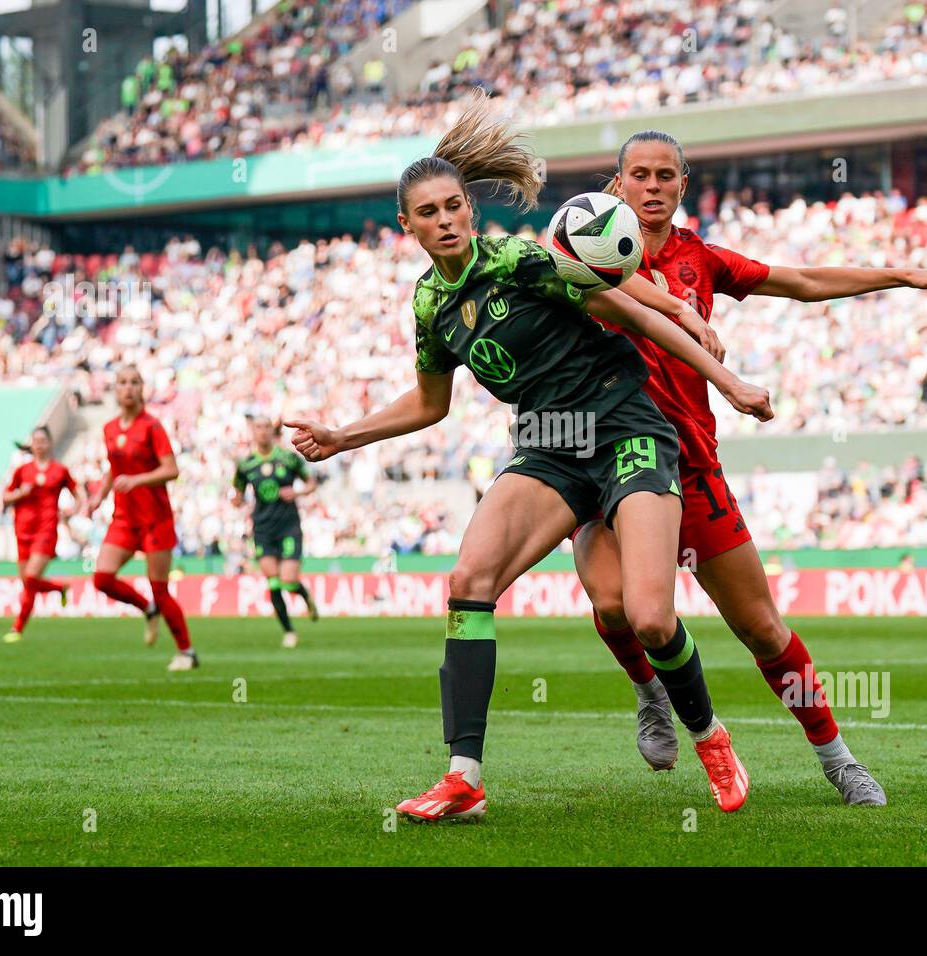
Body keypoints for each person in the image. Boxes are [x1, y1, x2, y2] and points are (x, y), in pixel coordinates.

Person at [286, 94, 774, 821]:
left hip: (624, 428)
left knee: (647, 617)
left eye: (455, 206)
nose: (446, 220)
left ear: (470, 211)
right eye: (429, 213)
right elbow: (429, 405)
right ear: (407, 226)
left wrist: (725, 377)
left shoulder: (520, 260)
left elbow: (627, 308)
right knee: (468, 581)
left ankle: (708, 733)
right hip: (549, 446)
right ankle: (464, 778)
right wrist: (341, 436)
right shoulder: (429, 307)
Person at [581, 129, 927, 806]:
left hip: (689, 465)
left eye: (665, 175)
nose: (652, 186)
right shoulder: (580, 250)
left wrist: (899, 274)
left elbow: (801, 280)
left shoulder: (701, 258)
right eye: (638, 174)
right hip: (601, 460)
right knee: (617, 604)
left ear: (682, 185)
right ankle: (650, 695)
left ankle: (838, 759)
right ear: (617, 183)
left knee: (761, 627)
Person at [85, 364, 197, 672]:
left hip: (155, 519)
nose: (129, 388)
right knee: (102, 578)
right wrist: (98, 495)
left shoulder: (152, 427)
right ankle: (146, 609)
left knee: (160, 589)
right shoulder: (109, 429)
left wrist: (137, 480)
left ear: (141, 389)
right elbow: (114, 468)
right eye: (123, 382)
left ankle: (187, 652)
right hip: (124, 518)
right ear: (116, 389)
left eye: (134, 382)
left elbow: (171, 470)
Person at [232, 415, 319, 648]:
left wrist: (297, 492)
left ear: (272, 432)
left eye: (266, 428)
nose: (262, 432)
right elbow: (238, 493)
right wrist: (237, 500)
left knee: (289, 580)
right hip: (262, 528)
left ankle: (304, 596)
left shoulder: (288, 458)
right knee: (273, 582)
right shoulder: (245, 464)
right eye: (258, 428)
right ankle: (289, 631)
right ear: (252, 432)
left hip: (288, 526)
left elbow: (311, 483)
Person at [1, 426, 85, 643]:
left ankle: (17, 628)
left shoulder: (59, 471)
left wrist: (72, 511)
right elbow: (6, 497)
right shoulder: (22, 471)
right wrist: (21, 493)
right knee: (28, 582)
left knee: (30, 577)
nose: (39, 444)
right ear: (32, 444)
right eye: (36, 440)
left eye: (43, 440)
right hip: (22, 531)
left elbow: (78, 495)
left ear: (50, 443)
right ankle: (60, 587)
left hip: (46, 532)